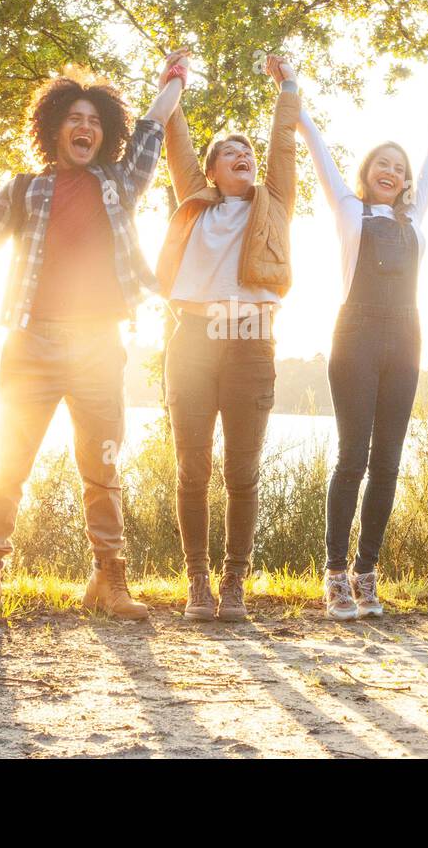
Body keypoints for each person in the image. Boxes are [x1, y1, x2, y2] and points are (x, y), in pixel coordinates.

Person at [0, 52, 191, 619]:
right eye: (74, 119)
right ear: (54, 128)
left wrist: (173, 82)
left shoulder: (119, 183)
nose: (84, 128)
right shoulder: (24, 191)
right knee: (5, 464)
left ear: (103, 132)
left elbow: (152, 130)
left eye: (94, 121)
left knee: (103, 466)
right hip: (30, 346)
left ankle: (111, 581)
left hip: (97, 347)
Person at [156, 54, 300, 622]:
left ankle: (234, 580)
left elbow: (283, 140)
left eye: (248, 152)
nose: (243, 156)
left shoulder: (275, 203)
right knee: (193, 468)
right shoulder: (195, 202)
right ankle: (197, 580)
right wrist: (173, 84)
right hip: (192, 341)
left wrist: (287, 85)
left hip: (250, 341)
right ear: (211, 172)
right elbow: (176, 140)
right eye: (228, 153)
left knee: (242, 469)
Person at [297, 90, 428, 620]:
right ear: (368, 171)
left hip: (406, 339)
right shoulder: (348, 209)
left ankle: (367, 572)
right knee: (352, 456)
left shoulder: (415, 219)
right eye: (383, 162)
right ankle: (335, 575)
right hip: (354, 336)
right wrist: (293, 93)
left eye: (400, 168)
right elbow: (318, 152)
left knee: (388, 463)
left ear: (406, 181)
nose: (393, 170)